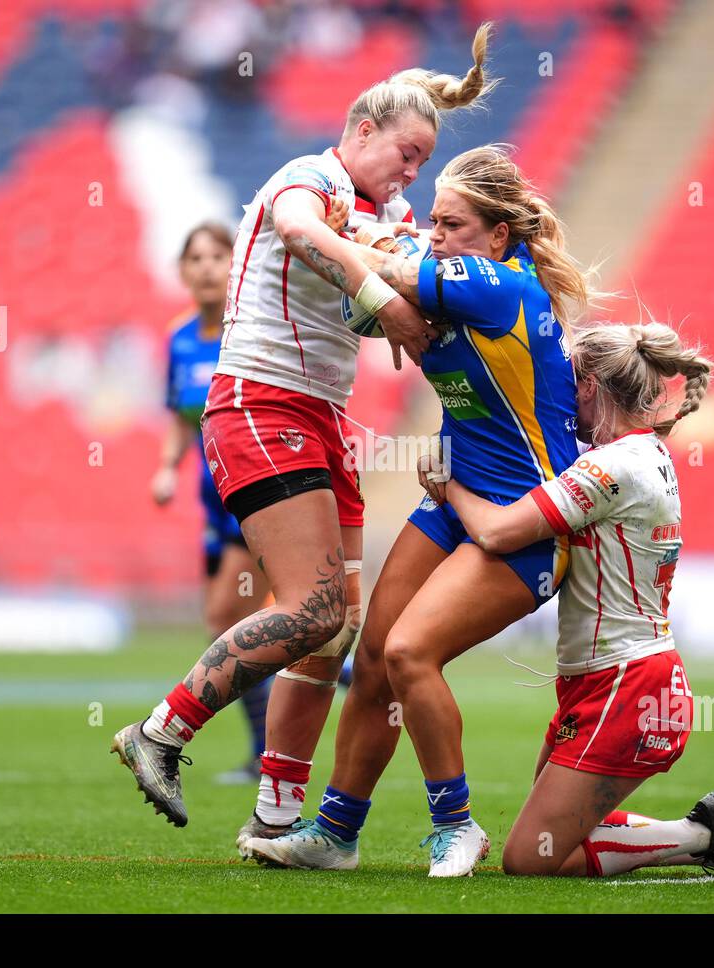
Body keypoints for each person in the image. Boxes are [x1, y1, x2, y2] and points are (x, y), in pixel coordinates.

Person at [111, 24, 496, 834]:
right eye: (407, 152)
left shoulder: (380, 212)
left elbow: (389, 276)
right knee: (316, 610)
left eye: (424, 161)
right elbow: (299, 233)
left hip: (318, 414)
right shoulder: (307, 178)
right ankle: (160, 731)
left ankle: (277, 814)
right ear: (362, 131)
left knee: (334, 629)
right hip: (260, 401)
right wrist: (387, 301)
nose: (413, 173)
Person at [243, 144, 595, 876]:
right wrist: (377, 249)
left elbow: (391, 275)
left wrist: (353, 236)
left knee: (409, 652)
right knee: (371, 657)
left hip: (527, 521)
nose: (435, 235)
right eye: (432, 220)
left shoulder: (497, 284)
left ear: (499, 236)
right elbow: (368, 307)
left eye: (452, 224)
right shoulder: (462, 285)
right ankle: (337, 834)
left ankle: (457, 825)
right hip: (455, 502)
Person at [436, 321, 714, 879]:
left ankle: (698, 835)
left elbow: (496, 533)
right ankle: (699, 836)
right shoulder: (649, 454)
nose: (562, 399)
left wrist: (448, 483)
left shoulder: (611, 467)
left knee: (532, 858)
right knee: (561, 836)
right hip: (618, 677)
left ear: (590, 385)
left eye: (569, 385)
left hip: (626, 685)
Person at [151, 222, 271, 785]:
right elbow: (181, 417)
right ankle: (343, 673)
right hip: (210, 503)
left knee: (230, 621)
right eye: (193, 257)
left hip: (252, 494)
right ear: (181, 271)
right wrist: (166, 467)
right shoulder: (178, 341)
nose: (204, 267)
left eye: (216, 256)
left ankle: (266, 755)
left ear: (236, 265)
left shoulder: (248, 333)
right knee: (244, 625)